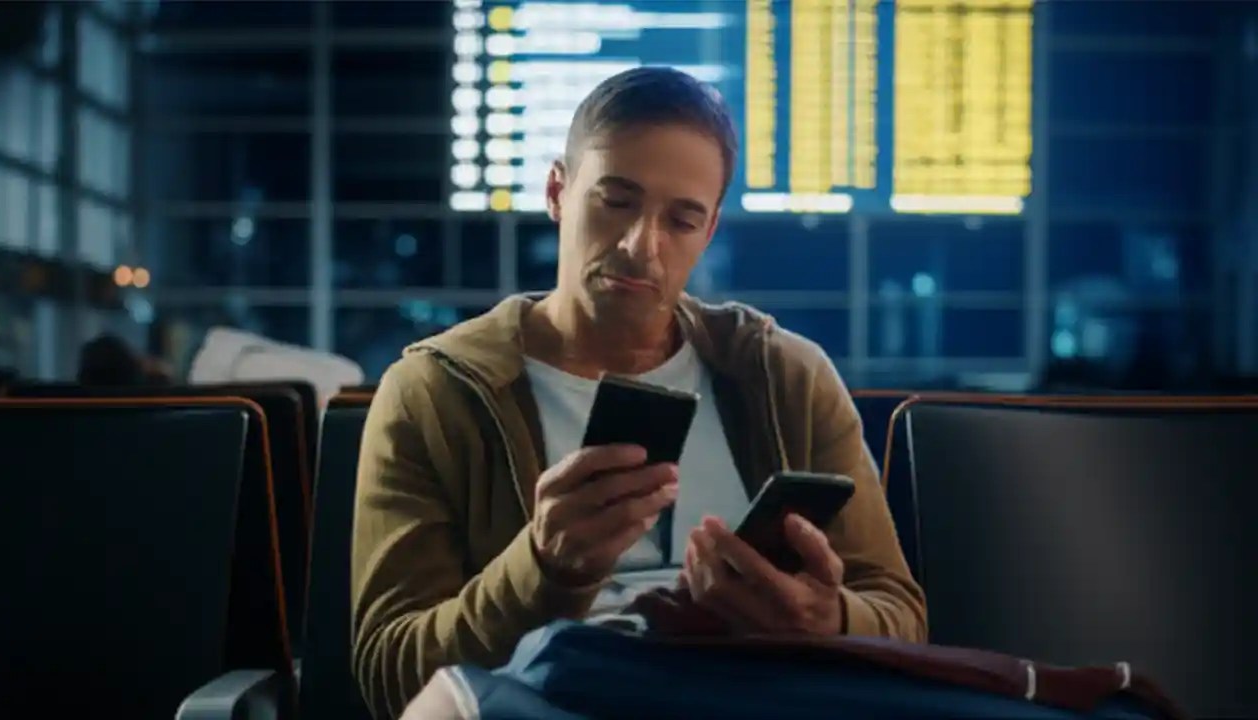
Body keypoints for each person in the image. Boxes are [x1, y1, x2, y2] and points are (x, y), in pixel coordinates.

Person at [352, 66, 926, 720]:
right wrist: (544, 569)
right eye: (615, 201)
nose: (639, 246)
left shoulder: (785, 377)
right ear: (557, 192)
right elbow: (390, 676)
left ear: (707, 233)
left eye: (681, 221)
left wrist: (829, 617)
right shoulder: (434, 392)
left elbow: (900, 611)